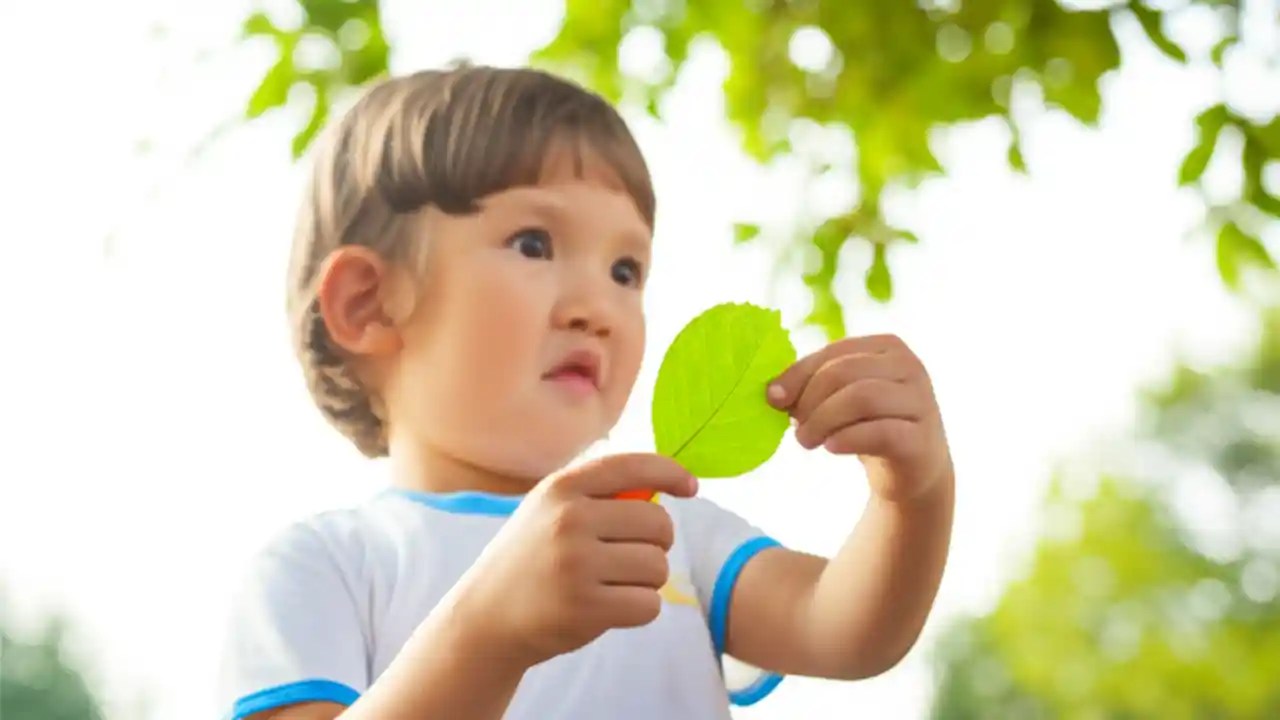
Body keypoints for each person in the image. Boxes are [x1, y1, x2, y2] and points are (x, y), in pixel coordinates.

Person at [215, 64, 955, 720]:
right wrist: (489, 633)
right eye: (534, 243)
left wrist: (911, 496)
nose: (598, 308)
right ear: (368, 305)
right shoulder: (325, 567)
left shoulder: (668, 533)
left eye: (626, 271)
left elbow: (846, 629)